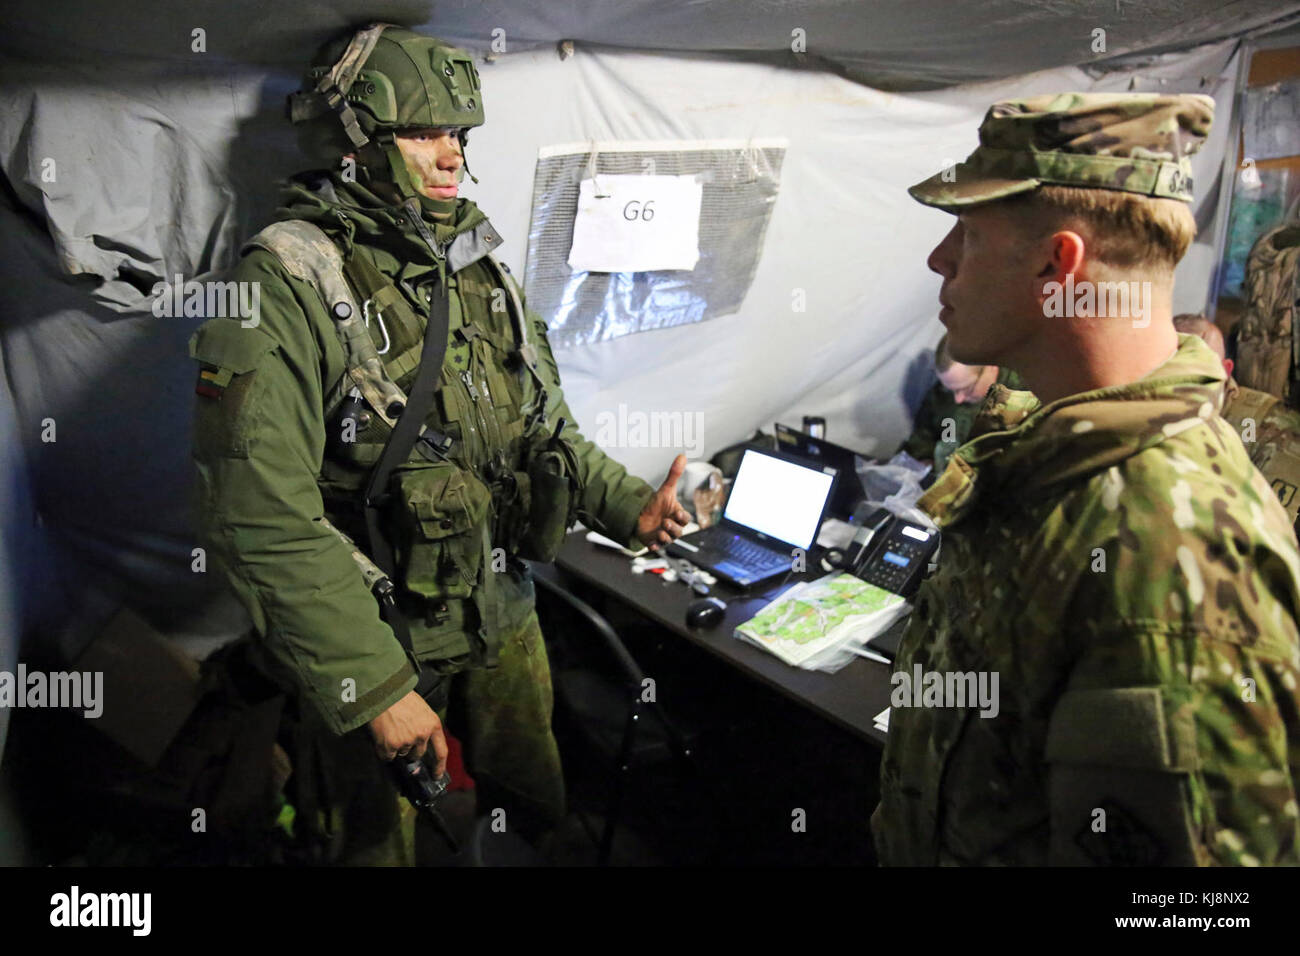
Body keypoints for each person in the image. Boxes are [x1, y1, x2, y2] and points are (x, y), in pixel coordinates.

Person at [189, 23, 691, 860]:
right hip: (381, 635)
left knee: (534, 797)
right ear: (359, 140)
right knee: (373, 841)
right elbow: (256, 513)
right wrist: (378, 687)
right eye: (425, 133)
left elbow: (543, 423)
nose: (452, 154)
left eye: (457, 134)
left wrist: (633, 506)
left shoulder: (478, 266)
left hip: (501, 610)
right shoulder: (286, 281)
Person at [872, 93, 1300, 866]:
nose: (940, 260)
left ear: (1056, 263)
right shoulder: (1047, 453)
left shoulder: (1171, 566)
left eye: (967, 231)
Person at [1173, 313, 1300, 530]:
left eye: (1200, 370)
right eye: (1176, 369)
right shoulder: (1147, 411)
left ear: (1226, 369)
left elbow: (1269, 530)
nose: (1186, 382)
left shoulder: (1271, 426)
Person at [900, 332, 1021, 474]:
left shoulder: (1025, 393)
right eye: (951, 389)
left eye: (966, 388)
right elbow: (925, 435)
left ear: (991, 366)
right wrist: (926, 459)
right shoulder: (943, 396)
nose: (958, 399)